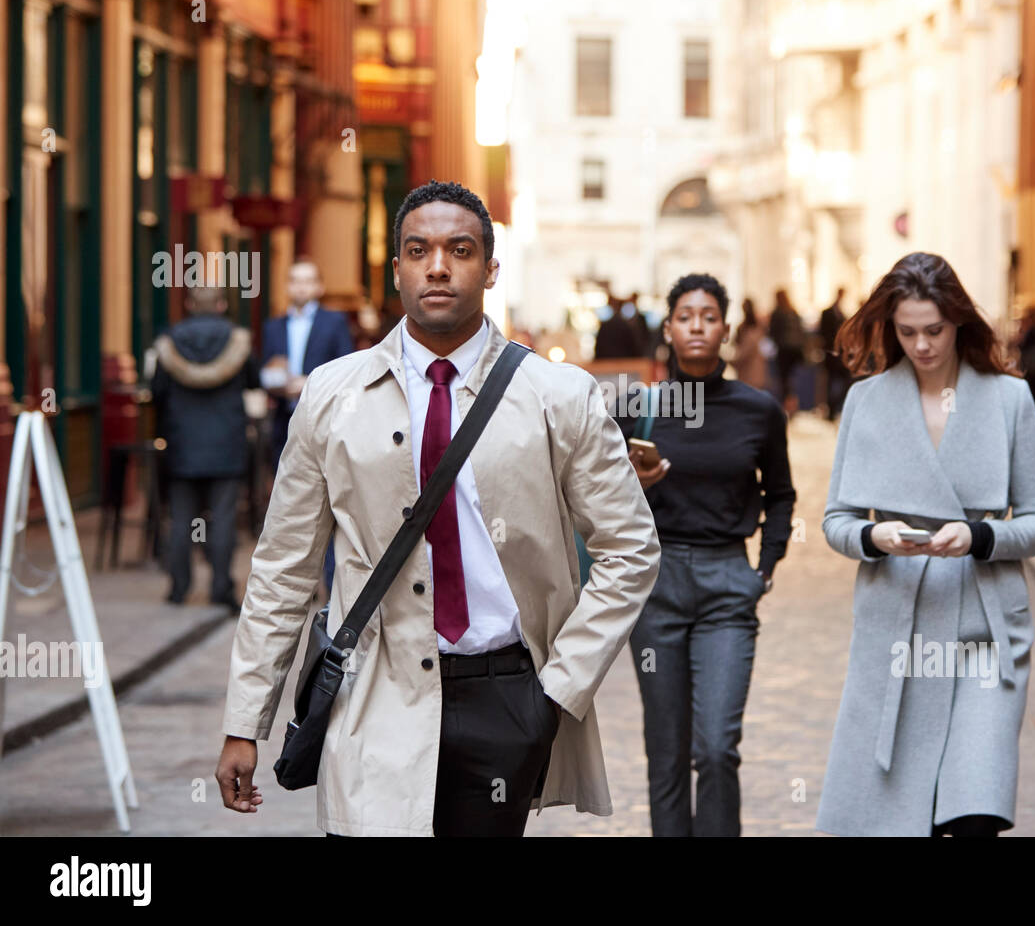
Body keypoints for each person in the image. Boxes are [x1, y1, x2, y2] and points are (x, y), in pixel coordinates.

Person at [215, 180, 661, 836]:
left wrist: (559, 687)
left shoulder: (558, 396)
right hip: (372, 695)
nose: (439, 266)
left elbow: (630, 548)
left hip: (508, 699)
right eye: (418, 250)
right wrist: (243, 721)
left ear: (490, 268)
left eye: (461, 249)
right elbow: (283, 567)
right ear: (396, 268)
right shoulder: (333, 398)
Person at [815, 252, 1035, 837]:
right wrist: (875, 535)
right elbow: (835, 521)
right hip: (898, 626)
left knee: (975, 810)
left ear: (959, 324)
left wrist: (979, 536)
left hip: (985, 630)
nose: (922, 345)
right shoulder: (868, 400)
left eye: (934, 330)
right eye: (907, 332)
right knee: (900, 820)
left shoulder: (1008, 400)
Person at [622, 273, 796, 836]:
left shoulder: (758, 410)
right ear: (668, 328)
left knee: (718, 746)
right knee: (666, 748)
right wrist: (638, 484)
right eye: (685, 316)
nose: (697, 326)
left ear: (725, 328)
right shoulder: (637, 407)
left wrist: (763, 569)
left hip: (728, 583)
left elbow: (782, 494)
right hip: (657, 585)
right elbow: (597, 502)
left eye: (709, 316)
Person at [149, 284, 261, 613]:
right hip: (226, 442)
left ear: (188, 304)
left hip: (183, 442)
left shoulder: (171, 340)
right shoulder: (237, 339)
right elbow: (254, 380)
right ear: (222, 304)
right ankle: (220, 588)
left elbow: (157, 391)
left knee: (182, 518)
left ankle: (179, 588)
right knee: (223, 519)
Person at [261, 257, 354, 598]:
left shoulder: (334, 322)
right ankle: (296, 586)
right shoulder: (273, 326)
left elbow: (347, 368)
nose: (300, 287)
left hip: (325, 425)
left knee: (328, 505)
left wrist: (308, 383)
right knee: (291, 508)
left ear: (318, 287)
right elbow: (266, 369)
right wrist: (275, 380)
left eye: (307, 281)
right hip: (283, 425)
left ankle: (331, 587)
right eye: (294, 281)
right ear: (287, 286)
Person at [768, 288, 806, 413]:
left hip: (784, 351)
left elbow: (773, 332)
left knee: (783, 381)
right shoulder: (792, 311)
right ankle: (792, 404)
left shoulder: (778, 312)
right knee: (793, 380)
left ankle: (787, 406)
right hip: (795, 352)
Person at [820, 287, 851, 421]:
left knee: (845, 381)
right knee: (831, 382)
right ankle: (831, 408)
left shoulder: (842, 313)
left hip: (840, 353)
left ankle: (833, 406)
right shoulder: (828, 312)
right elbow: (823, 333)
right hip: (831, 353)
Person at [731, 298, 768, 390]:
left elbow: (745, 351)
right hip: (750, 370)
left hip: (751, 370)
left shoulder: (756, 327)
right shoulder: (743, 327)